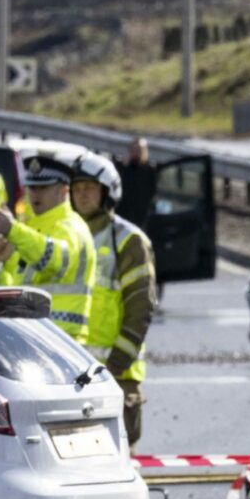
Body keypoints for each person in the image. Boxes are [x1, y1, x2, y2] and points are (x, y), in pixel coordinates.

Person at [68, 149, 156, 448]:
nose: (82, 196)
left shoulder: (129, 241)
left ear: (108, 192)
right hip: (68, 377)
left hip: (117, 376)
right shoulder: (63, 239)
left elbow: (141, 308)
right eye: (77, 189)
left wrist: (115, 364)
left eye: (90, 189)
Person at [0, 148, 95, 347]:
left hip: (64, 342)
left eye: (43, 188)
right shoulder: (30, 230)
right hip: (33, 339)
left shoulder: (70, 226)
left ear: (63, 191)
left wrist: (12, 230)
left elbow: (53, 262)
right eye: (32, 187)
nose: (35, 194)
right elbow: (11, 288)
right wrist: (0, 261)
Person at [117, 137, 159, 226]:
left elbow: (153, 192)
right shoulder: (123, 169)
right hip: (124, 215)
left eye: (140, 150)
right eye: (134, 150)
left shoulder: (150, 171)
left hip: (142, 216)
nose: (137, 153)